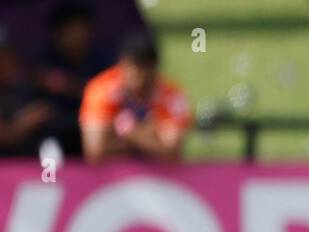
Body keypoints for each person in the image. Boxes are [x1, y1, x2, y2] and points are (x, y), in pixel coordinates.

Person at [79, 32, 190, 163]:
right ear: (121, 65)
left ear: (154, 68)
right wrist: (149, 135)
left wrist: (129, 132)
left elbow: (171, 154)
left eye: (142, 68)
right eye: (131, 67)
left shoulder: (172, 95)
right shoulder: (100, 89)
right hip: (113, 174)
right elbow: (95, 152)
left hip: (158, 176)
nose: (136, 74)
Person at [34, 1, 112, 158]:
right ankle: (49, 177)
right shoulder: (45, 61)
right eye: (70, 31)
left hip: (93, 124)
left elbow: (109, 96)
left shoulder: (103, 61)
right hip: (54, 128)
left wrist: (70, 86)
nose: (76, 37)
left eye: (80, 30)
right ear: (57, 34)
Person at [0, 29, 55, 159]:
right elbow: (6, 136)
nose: (7, 63)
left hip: (31, 166)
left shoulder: (25, 90)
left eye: (9, 56)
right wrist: (25, 122)